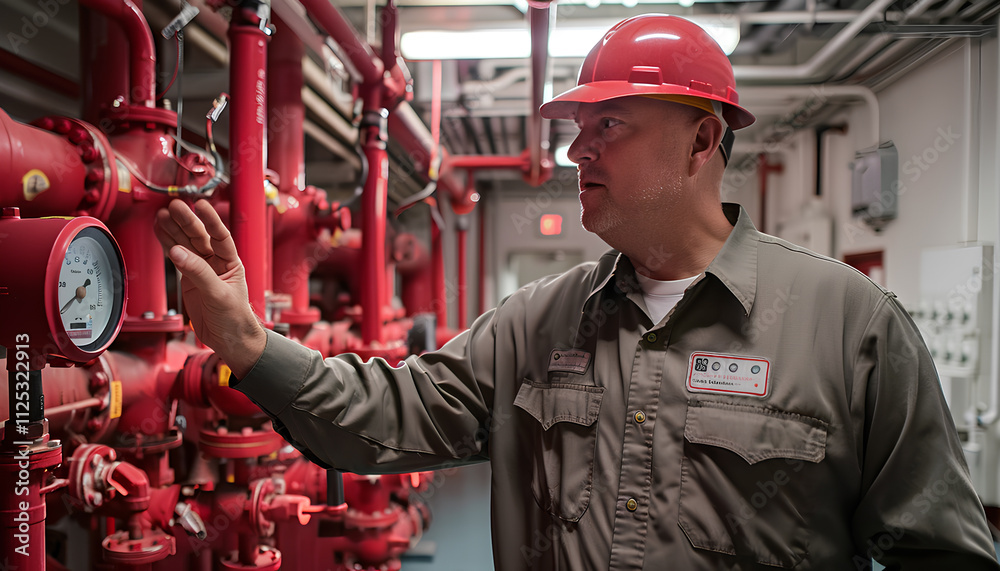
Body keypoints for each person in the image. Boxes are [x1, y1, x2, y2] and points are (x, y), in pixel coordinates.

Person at [155, 13, 1000, 571]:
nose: (576, 155)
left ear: (703, 138)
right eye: (576, 131)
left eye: (609, 128)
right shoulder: (538, 323)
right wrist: (254, 348)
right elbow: (389, 415)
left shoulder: (849, 327)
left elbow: (939, 552)